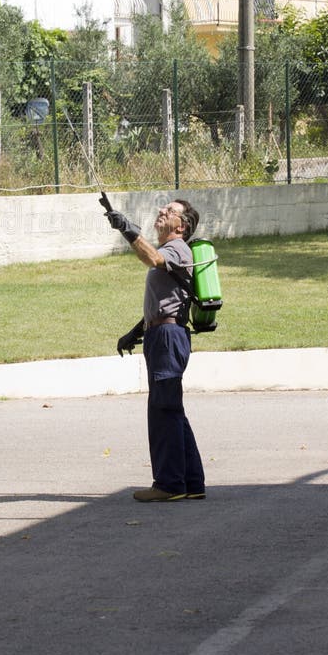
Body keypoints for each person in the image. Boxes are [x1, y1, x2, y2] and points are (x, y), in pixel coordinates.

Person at [105, 199, 206, 503]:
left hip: (167, 337)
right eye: (163, 208)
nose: (162, 211)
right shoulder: (172, 251)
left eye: (170, 211)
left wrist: (127, 229)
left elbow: (151, 259)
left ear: (181, 226)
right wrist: (135, 333)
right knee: (172, 409)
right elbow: (165, 302)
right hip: (162, 333)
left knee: (163, 410)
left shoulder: (176, 249)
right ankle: (191, 482)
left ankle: (169, 484)